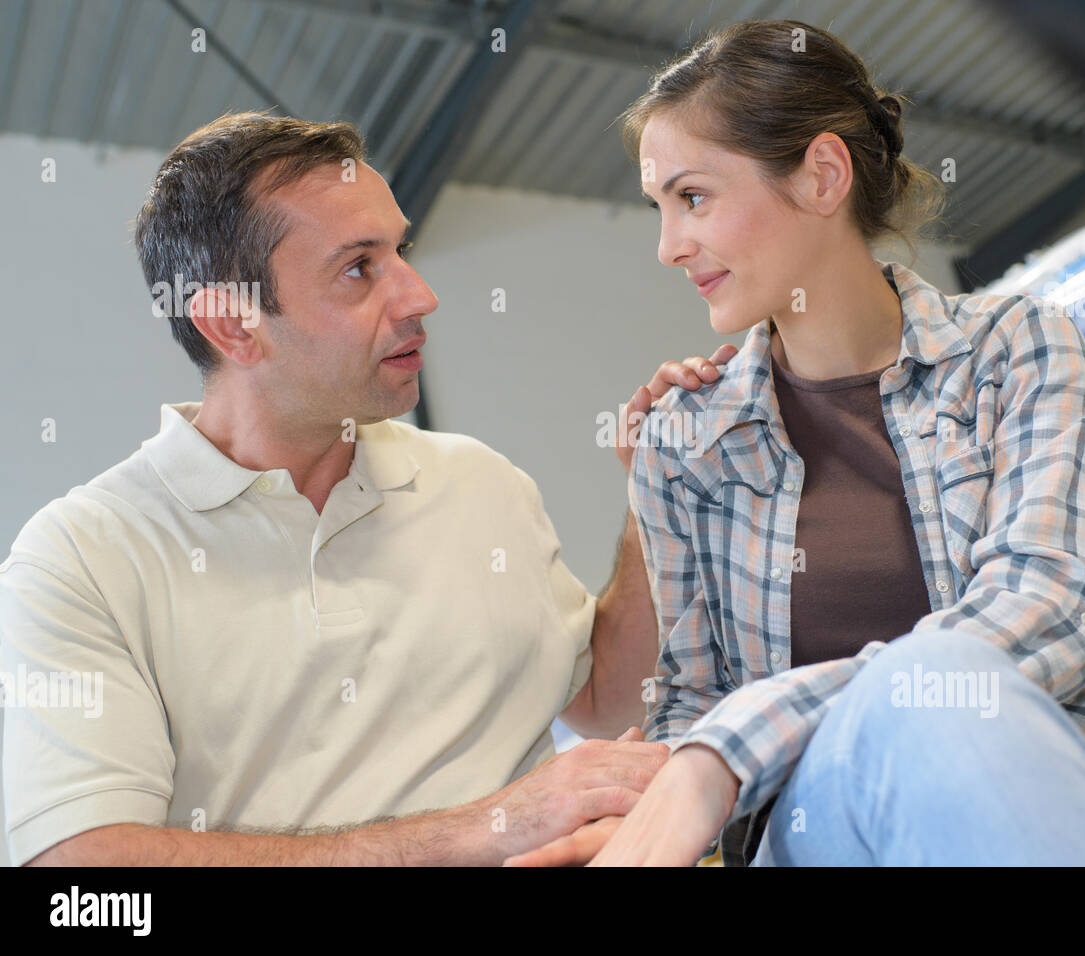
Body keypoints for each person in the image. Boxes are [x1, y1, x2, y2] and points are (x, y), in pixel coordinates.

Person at [505, 19, 1085, 867]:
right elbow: (691, 701)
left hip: (1072, 804)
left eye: (693, 197)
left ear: (822, 175)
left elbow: (1046, 611)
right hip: (822, 835)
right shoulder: (685, 443)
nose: (669, 246)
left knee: (925, 694)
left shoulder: (1015, 349)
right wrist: (653, 784)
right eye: (659, 208)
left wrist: (727, 752)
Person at [0, 111, 737, 866]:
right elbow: (80, 889)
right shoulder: (80, 560)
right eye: (359, 268)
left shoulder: (483, 483)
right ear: (231, 325)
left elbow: (606, 702)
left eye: (400, 251)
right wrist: (490, 827)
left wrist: (658, 497)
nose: (419, 296)